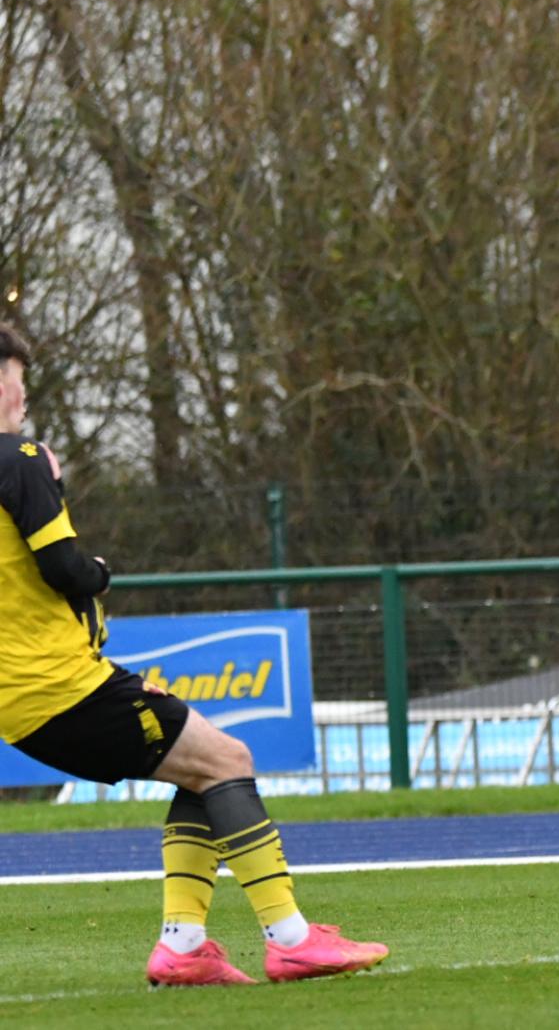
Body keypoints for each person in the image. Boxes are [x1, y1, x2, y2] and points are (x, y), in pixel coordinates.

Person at [0, 324, 388, 988]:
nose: (23, 395)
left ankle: (183, 945)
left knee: (202, 770)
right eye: (18, 380)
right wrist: (100, 571)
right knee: (229, 760)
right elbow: (63, 565)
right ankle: (290, 938)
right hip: (60, 684)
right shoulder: (20, 457)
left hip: (22, 696)